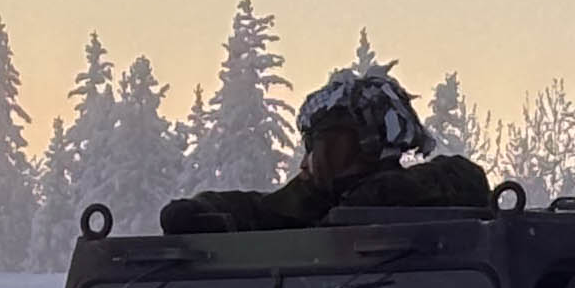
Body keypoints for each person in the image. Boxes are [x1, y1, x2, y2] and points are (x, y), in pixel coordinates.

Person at [160, 59, 494, 234]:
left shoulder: (425, 203)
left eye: (317, 143)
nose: (306, 161)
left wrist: (376, 200)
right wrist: (204, 210)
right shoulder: (317, 204)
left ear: (362, 143)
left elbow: (465, 178)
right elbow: (264, 209)